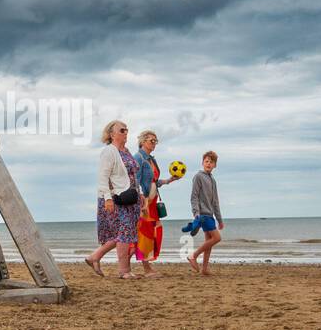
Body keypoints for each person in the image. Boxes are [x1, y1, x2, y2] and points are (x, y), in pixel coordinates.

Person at [85, 120, 141, 280]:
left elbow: (131, 176)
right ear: (111, 134)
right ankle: (124, 271)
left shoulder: (126, 151)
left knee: (123, 233)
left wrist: (140, 193)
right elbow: (103, 177)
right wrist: (108, 199)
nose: (126, 133)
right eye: (122, 130)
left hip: (130, 198)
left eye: (126, 130)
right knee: (123, 233)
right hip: (116, 198)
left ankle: (94, 257)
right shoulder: (109, 151)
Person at [133, 130, 179, 278]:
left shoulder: (151, 159)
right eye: (151, 140)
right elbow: (136, 182)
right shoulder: (138, 158)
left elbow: (153, 181)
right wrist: (142, 203)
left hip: (152, 203)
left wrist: (168, 180)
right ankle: (146, 268)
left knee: (154, 232)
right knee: (145, 234)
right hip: (144, 203)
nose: (154, 143)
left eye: (155, 141)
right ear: (142, 141)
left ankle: (127, 264)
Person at [186, 151, 223, 275]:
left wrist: (220, 219)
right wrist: (196, 212)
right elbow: (194, 196)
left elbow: (215, 202)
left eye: (211, 162)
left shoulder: (213, 180)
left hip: (210, 215)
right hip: (202, 215)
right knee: (217, 238)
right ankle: (193, 256)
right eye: (206, 161)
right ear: (202, 163)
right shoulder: (198, 176)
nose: (209, 163)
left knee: (209, 242)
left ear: (215, 165)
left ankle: (205, 269)